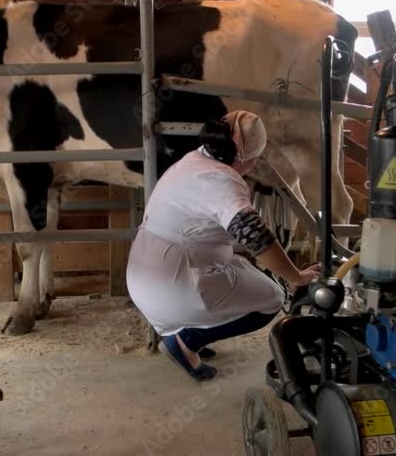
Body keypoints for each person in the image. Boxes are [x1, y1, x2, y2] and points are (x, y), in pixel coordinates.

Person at [126, 110, 322, 381]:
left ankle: (190, 328)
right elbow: (255, 237)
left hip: (144, 279)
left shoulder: (191, 160)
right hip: (172, 287)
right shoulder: (223, 180)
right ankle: (187, 342)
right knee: (272, 298)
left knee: (238, 267)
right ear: (251, 159)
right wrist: (296, 277)